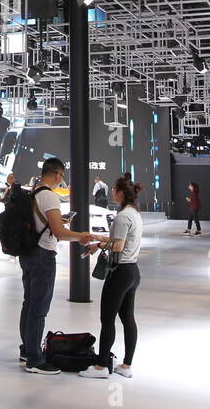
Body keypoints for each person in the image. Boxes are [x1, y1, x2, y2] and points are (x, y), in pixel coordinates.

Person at [19, 157, 91, 375]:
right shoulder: (50, 197)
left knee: (29, 303)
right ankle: (35, 360)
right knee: (39, 309)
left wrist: (59, 223)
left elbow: (48, 225)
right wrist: (81, 236)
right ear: (58, 174)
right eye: (62, 175)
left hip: (28, 252)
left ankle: (27, 349)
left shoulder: (32, 192)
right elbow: (59, 233)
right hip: (43, 255)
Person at [79, 176, 142, 380]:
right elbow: (119, 240)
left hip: (120, 272)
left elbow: (118, 246)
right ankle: (126, 365)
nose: (112, 192)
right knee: (127, 318)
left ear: (121, 193)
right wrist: (98, 240)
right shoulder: (135, 213)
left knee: (107, 319)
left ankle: (100, 367)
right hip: (132, 271)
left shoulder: (123, 216)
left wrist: (100, 245)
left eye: (114, 189)